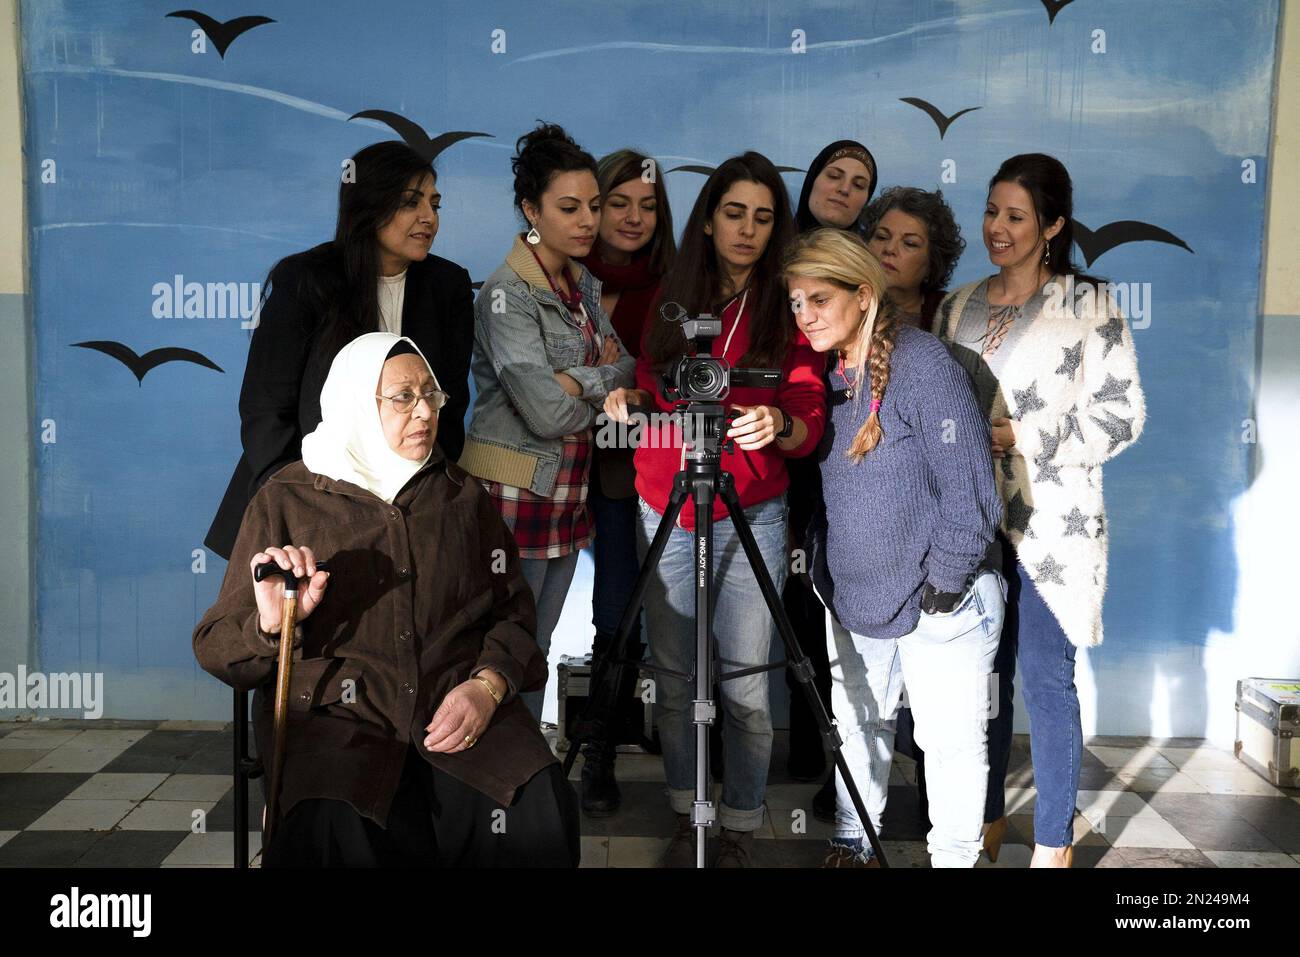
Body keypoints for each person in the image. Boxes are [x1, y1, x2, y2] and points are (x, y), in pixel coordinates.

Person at [194, 333, 579, 867]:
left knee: (537, 808)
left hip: (454, 705)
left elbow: (512, 612)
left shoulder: (461, 496)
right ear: (355, 403)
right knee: (334, 830)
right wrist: (272, 622)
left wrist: (487, 687)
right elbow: (216, 647)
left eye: (431, 395)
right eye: (403, 397)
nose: (424, 411)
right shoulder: (287, 499)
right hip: (340, 719)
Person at [604, 152, 826, 867]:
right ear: (707, 218)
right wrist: (633, 400)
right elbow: (646, 375)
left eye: (764, 218)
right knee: (674, 679)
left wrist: (780, 428)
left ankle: (736, 823)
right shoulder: (667, 290)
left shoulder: (788, 299)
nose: (748, 229)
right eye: (734, 213)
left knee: (748, 688)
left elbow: (806, 406)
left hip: (751, 507)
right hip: (664, 501)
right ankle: (685, 813)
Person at [934, 153, 1146, 867]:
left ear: (1053, 225)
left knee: (1044, 678)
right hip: (966, 520)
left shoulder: (1090, 306)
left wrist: (1019, 435)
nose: (997, 227)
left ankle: (1053, 840)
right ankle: (984, 819)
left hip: (1055, 526)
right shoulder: (955, 305)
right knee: (976, 680)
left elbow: (1121, 417)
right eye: (991, 211)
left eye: (1016, 216)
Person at [785, 227, 1004, 868]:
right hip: (858, 594)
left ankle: (955, 862)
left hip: (945, 599)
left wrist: (943, 584)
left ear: (862, 294)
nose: (806, 316)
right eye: (797, 303)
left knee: (949, 742)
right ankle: (854, 840)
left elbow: (971, 490)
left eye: (819, 300)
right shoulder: (830, 373)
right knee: (858, 725)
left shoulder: (921, 362)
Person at [205, 140, 474, 561]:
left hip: (406, 508)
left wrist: (422, 499)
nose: (429, 218)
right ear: (368, 207)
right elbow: (266, 412)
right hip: (306, 500)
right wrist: (304, 504)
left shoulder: (449, 286)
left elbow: (450, 407)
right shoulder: (305, 279)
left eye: (435, 204)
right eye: (410, 202)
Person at [459, 123, 635, 721]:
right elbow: (543, 412)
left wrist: (578, 378)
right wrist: (595, 376)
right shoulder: (508, 294)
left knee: (534, 648)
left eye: (593, 205)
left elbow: (629, 367)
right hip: (513, 492)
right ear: (532, 210)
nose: (588, 220)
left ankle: (524, 780)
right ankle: (493, 791)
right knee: (500, 652)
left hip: (566, 491)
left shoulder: (582, 284)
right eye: (568, 207)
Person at [572, 149, 676, 816]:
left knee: (618, 612)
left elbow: (662, 381)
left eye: (648, 205)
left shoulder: (671, 287)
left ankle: (599, 752)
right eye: (621, 203)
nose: (635, 217)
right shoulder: (558, 277)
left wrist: (630, 381)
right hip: (547, 471)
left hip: (627, 475)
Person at [785, 139, 878, 804]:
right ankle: (794, 740)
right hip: (774, 452)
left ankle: (839, 767)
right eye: (834, 175)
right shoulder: (771, 255)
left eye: (859, 183)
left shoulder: (869, 274)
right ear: (812, 180)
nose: (844, 188)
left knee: (831, 600)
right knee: (783, 601)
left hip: (843, 455)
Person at [862, 186, 965, 332]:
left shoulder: (952, 318)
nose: (890, 249)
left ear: (932, 264)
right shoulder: (839, 303)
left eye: (909, 243)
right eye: (881, 237)